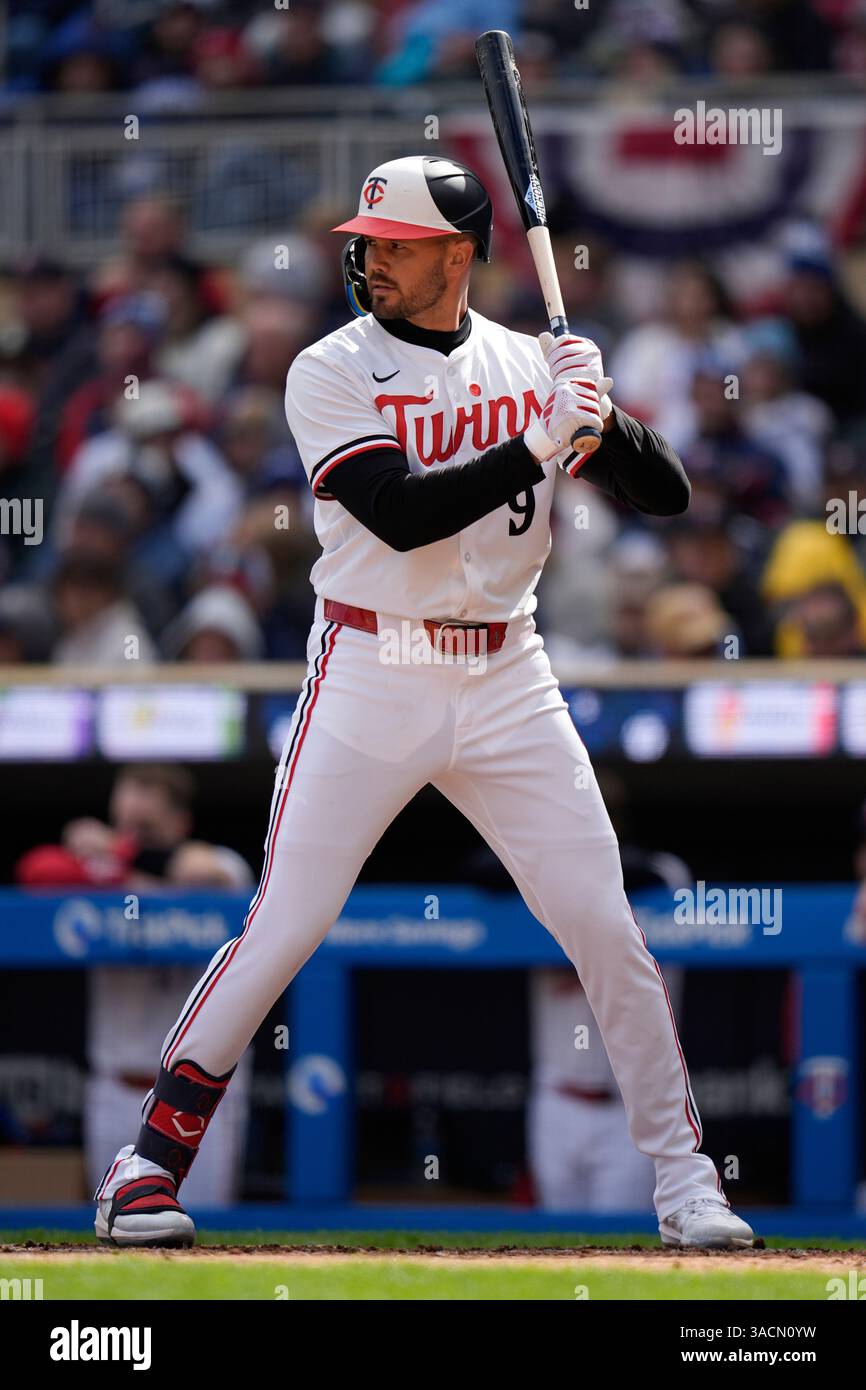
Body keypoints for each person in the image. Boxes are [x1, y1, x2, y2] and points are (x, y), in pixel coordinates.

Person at [93, 154, 753, 1251]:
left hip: (508, 670)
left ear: (456, 252)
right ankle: (144, 1166)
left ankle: (686, 1182)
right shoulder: (327, 367)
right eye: (364, 242)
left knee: (602, 920)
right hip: (367, 664)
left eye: (392, 244)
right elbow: (397, 513)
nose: (368, 259)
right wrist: (541, 436)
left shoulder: (525, 362)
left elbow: (668, 494)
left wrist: (602, 414)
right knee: (286, 921)